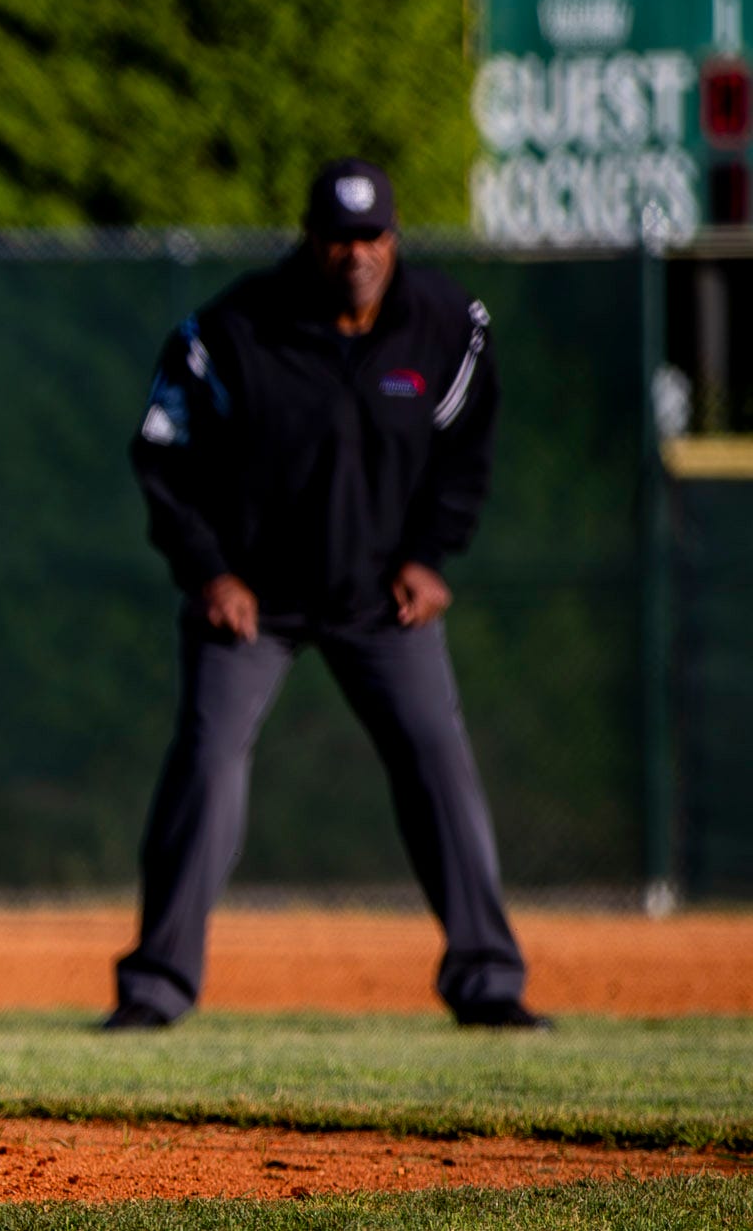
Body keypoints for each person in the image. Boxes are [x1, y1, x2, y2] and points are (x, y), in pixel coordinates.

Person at [106, 159, 547, 1032]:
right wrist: (209, 573)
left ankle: (488, 980)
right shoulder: (231, 330)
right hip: (252, 598)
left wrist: (431, 555)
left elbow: (465, 454)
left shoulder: (446, 325)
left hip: (381, 595)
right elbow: (164, 457)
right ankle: (156, 989)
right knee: (208, 758)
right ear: (309, 239)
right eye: (340, 237)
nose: (357, 253)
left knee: (437, 758)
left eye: (373, 235)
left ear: (395, 238)